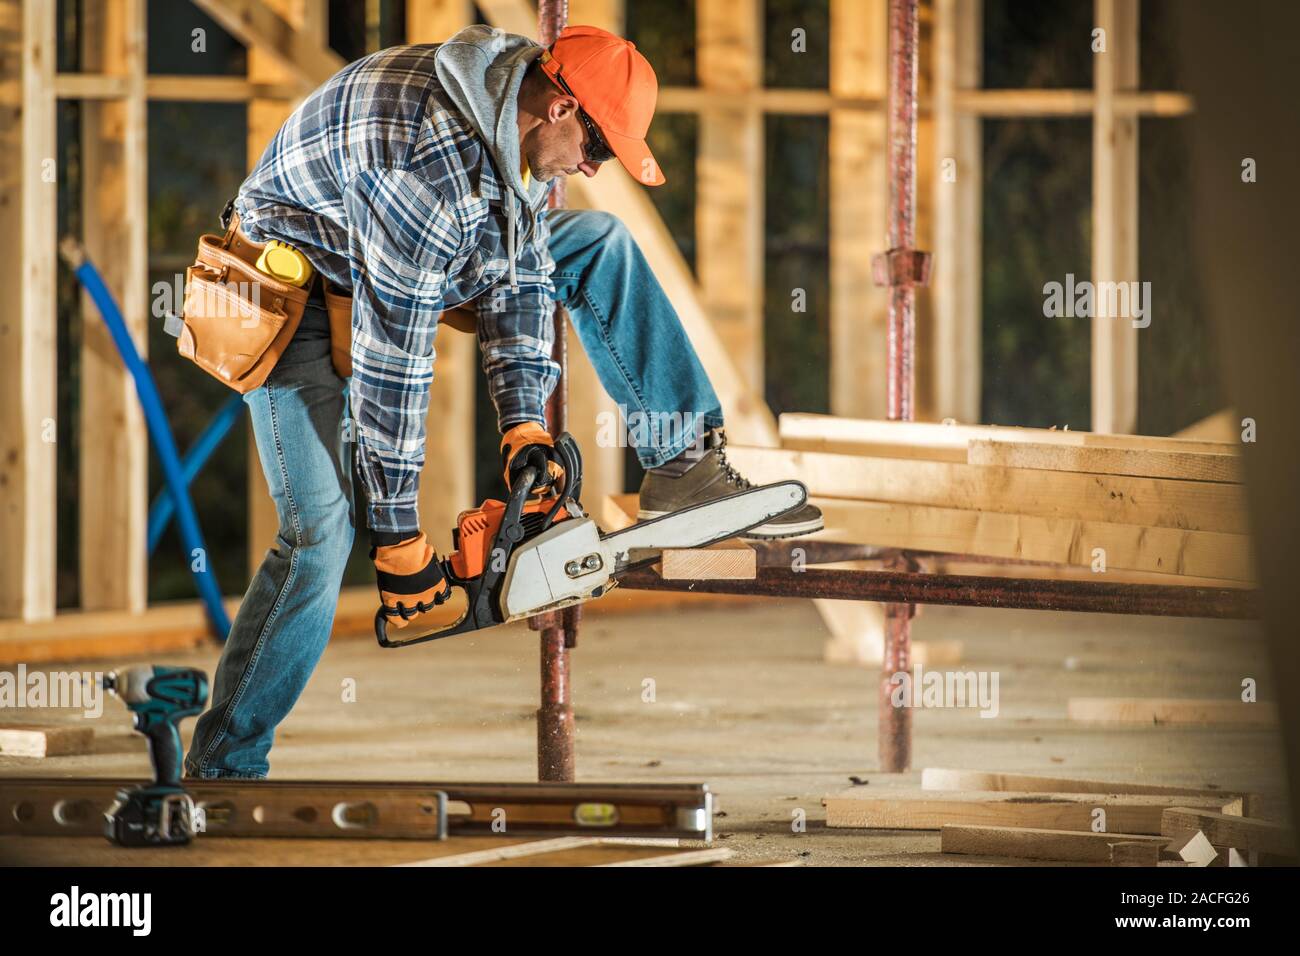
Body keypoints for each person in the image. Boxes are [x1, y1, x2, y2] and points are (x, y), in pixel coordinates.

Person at [183, 24, 822, 780]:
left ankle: (681, 461)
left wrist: (524, 427)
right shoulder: (424, 165)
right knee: (321, 532)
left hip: (397, 256)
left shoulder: (516, 119)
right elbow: (395, 361)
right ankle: (224, 765)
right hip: (290, 288)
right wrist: (399, 544)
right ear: (559, 107)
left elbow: (520, 281)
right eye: (598, 146)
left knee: (599, 242)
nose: (593, 164)